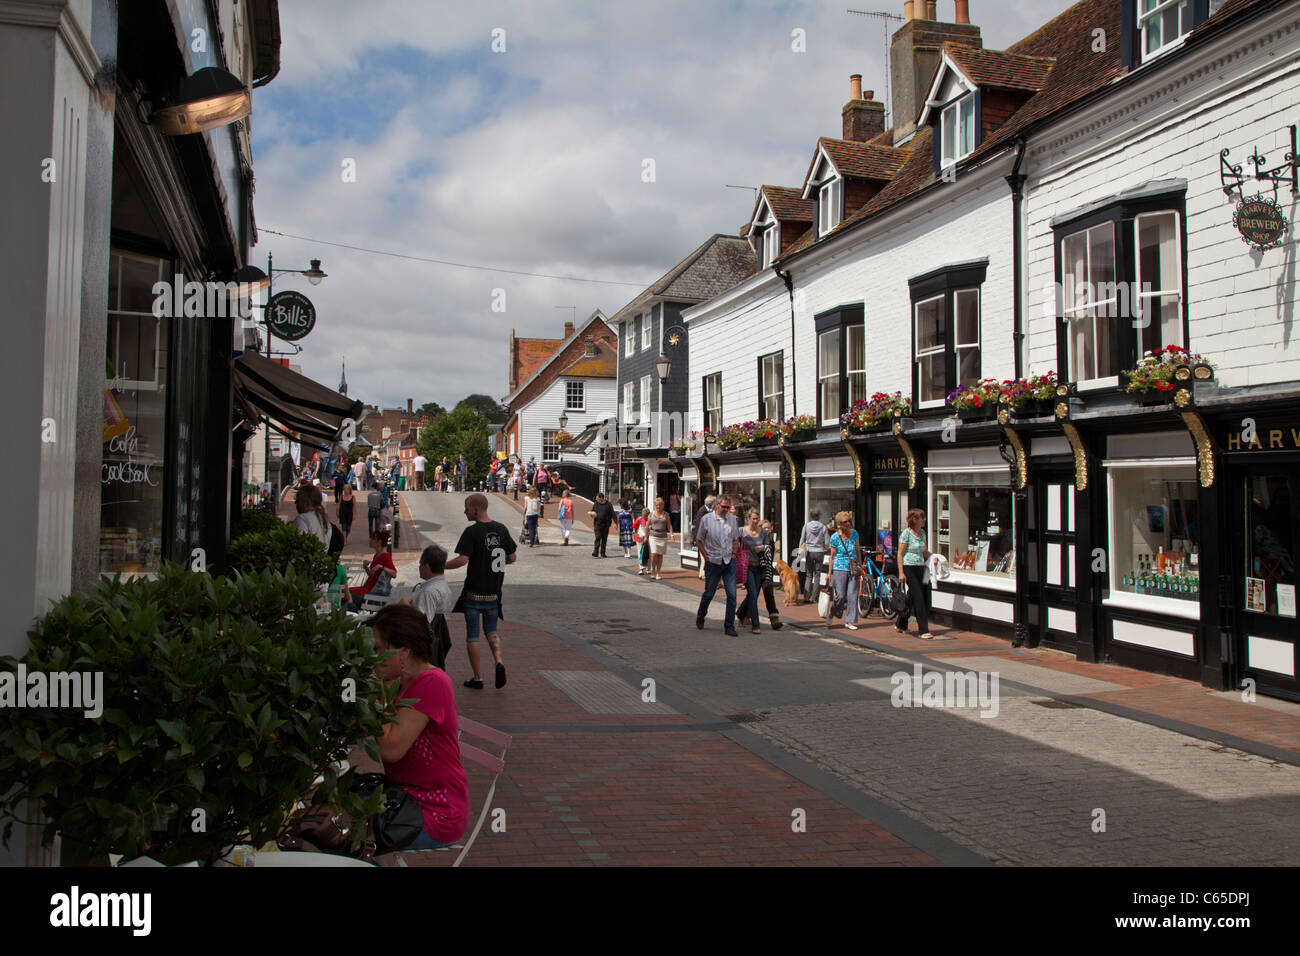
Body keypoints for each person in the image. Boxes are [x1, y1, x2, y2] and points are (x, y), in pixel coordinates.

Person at [367, 603, 469, 850]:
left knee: (348, 840)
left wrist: (374, 696)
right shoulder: (400, 683)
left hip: (435, 812)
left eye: (378, 649)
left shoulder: (432, 682)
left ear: (402, 652)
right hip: (401, 800)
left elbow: (391, 749)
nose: (372, 657)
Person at [445, 494, 517, 689]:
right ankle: (499, 660)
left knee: (473, 635)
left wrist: (441, 566)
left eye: (467, 507)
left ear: (476, 508)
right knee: (492, 630)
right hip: (494, 592)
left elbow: (462, 560)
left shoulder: (472, 532)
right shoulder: (501, 530)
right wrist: (497, 564)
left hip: (474, 592)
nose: (464, 511)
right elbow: (512, 556)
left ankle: (478, 678)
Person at [695, 495, 740, 635]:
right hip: (713, 561)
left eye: (728, 507)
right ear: (717, 505)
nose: (726, 510)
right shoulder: (706, 520)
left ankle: (729, 626)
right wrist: (706, 557)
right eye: (724, 507)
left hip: (728, 560)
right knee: (709, 593)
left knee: (732, 595)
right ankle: (701, 614)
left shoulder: (732, 520)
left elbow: (736, 539)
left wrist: (733, 554)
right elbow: (699, 540)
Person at [896, 508, 934, 640]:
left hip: (920, 567)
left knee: (912, 596)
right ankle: (923, 630)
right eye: (922, 518)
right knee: (919, 597)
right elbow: (900, 554)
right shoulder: (906, 533)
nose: (924, 520)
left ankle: (901, 623)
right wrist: (901, 572)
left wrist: (935, 557)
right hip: (909, 567)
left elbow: (924, 552)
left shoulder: (922, 533)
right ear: (915, 520)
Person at [824, 511, 861, 630]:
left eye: (849, 521)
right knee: (840, 595)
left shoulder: (854, 534)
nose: (849, 523)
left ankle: (850, 621)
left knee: (852, 595)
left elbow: (857, 550)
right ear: (840, 524)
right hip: (839, 567)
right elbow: (832, 556)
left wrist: (860, 565)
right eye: (845, 522)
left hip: (853, 567)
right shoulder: (835, 537)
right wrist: (829, 573)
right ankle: (833, 612)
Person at [347, 529, 396, 612]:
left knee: (346, 594)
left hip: (372, 594)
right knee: (345, 592)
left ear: (379, 542)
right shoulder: (376, 555)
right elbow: (372, 575)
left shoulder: (385, 556)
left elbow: (394, 574)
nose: (370, 540)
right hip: (366, 590)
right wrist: (366, 567)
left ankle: (354, 613)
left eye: (373, 538)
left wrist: (381, 567)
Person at [798, 510, 828, 607]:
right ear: (819, 516)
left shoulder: (806, 526)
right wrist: (824, 546)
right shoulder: (823, 527)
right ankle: (815, 597)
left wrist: (800, 549)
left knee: (809, 575)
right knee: (817, 575)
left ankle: (806, 597)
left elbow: (802, 539)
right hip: (819, 551)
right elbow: (827, 541)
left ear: (811, 516)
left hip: (809, 551)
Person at [293, 484, 331, 548]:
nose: (296, 503)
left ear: (306, 503)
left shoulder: (302, 519)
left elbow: (300, 544)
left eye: (298, 500)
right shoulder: (323, 518)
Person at [647, 497, 670, 579]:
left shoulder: (666, 514)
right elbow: (647, 526)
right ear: (655, 506)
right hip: (653, 535)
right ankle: (653, 569)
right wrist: (646, 536)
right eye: (657, 505)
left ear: (663, 505)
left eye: (660, 505)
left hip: (662, 536)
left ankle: (658, 572)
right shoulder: (651, 514)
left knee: (660, 555)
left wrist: (672, 535)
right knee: (654, 554)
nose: (658, 507)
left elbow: (669, 525)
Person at [589, 491, 614, 557]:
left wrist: (616, 523)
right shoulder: (596, 504)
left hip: (606, 524)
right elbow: (592, 511)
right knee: (597, 537)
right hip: (597, 524)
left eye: (597, 498)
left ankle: (603, 553)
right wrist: (592, 514)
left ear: (601, 498)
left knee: (604, 539)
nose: (596, 500)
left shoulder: (608, 504)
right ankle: (595, 552)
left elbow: (612, 514)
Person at [633, 508, 650, 574]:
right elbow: (633, 525)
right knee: (640, 553)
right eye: (643, 515)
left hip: (647, 538)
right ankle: (641, 568)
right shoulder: (640, 519)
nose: (644, 517)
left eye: (645, 516)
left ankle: (648, 568)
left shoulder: (650, 520)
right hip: (639, 538)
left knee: (648, 553)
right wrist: (638, 523)